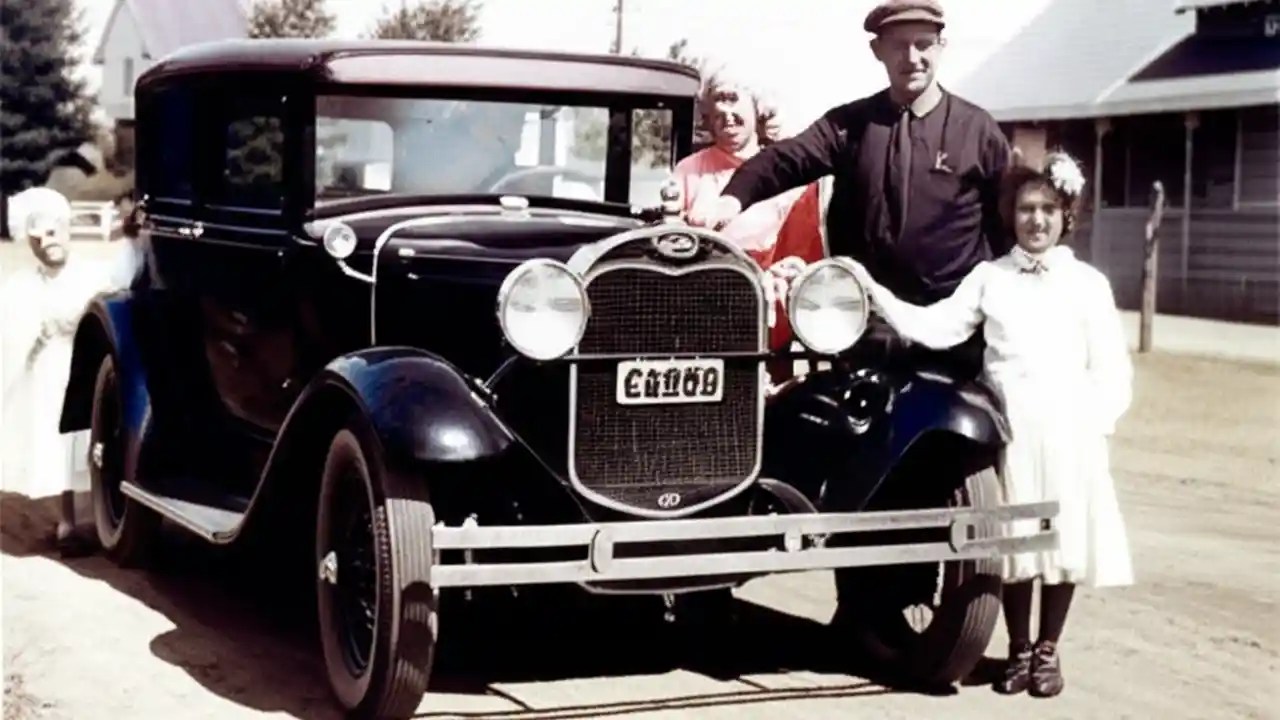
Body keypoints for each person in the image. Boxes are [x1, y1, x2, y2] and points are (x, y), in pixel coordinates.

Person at [843, 152, 1135, 698]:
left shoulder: (1088, 284)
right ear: (1011, 215)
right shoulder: (991, 278)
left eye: (1048, 208)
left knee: (1064, 544)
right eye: (1027, 208)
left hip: (1070, 430)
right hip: (1014, 428)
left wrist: (1096, 424)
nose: (1037, 220)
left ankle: (1049, 650)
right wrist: (874, 291)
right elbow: (936, 327)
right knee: (1016, 543)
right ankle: (1018, 650)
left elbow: (1112, 366)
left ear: (1065, 215)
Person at [687, 0, 1013, 374]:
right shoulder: (849, 125)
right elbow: (784, 159)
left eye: (923, 44)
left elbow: (1007, 224)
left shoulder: (978, 130)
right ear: (877, 50)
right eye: (898, 45)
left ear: (941, 46)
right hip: (862, 322)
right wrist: (730, 200)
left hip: (952, 329)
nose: (912, 57)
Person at [1, 187, 109, 556]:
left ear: (67, 230)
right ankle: (68, 521)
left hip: (86, 364)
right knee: (59, 443)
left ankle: (102, 516)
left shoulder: (92, 275)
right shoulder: (26, 285)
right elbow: (16, 325)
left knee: (91, 439)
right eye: (38, 239)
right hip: (50, 369)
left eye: (53, 233)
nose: (48, 243)